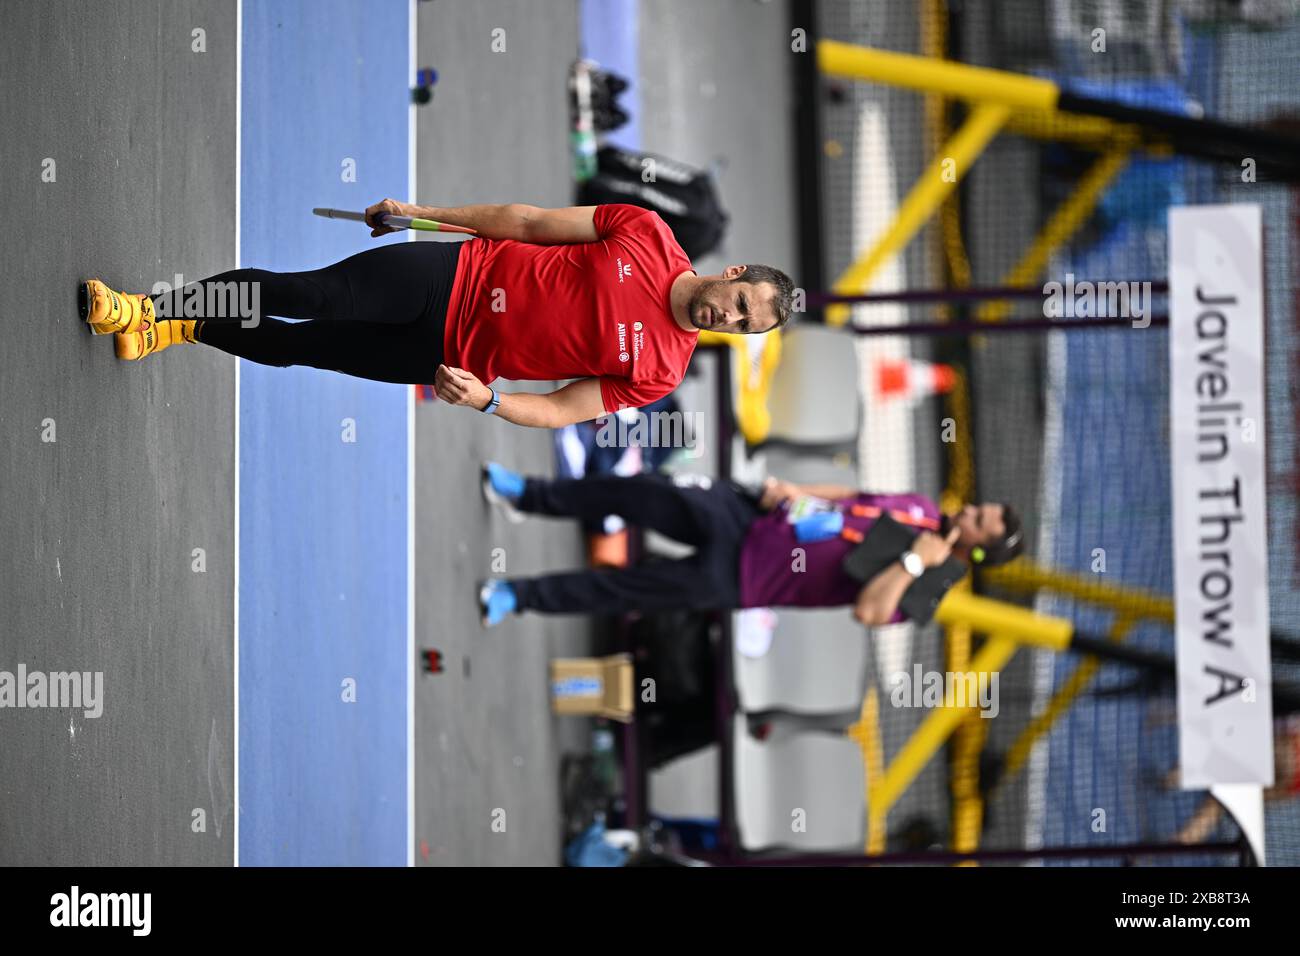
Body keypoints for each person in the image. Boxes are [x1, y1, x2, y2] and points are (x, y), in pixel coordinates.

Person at [78, 200, 794, 428]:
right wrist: (423, 216)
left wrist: (488, 401)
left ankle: (183, 325)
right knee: (306, 297)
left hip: (446, 358)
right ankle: (146, 306)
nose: (728, 321)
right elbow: (529, 220)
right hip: (450, 274)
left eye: (742, 328)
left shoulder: (662, 371)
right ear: (734, 274)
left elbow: (561, 410)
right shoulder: (644, 231)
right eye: (739, 305)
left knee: (302, 348)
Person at [475, 464, 1024, 627]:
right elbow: (852, 497)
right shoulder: (922, 508)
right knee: (643, 491)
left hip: (743, 579)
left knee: (621, 589)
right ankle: (528, 494)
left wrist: (913, 561)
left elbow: (868, 611)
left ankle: (515, 598)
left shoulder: (930, 586)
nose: (970, 509)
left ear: (978, 552)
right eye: (981, 506)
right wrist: (793, 490)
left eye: (980, 520)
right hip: (751, 519)